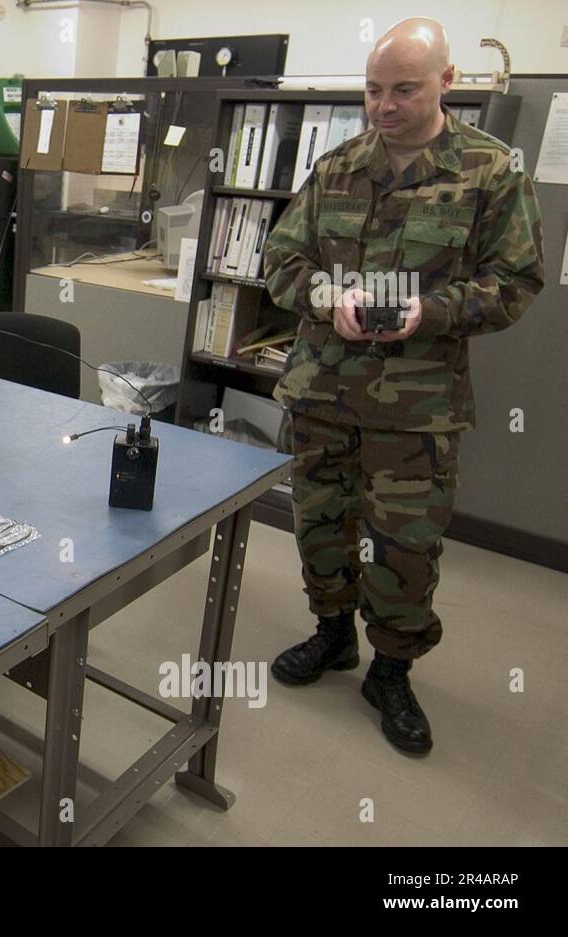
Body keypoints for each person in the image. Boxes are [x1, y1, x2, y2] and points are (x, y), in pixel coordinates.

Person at [262, 17, 544, 754]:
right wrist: (328, 297)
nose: (384, 106)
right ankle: (332, 634)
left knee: (405, 548)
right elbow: (281, 261)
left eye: (405, 90)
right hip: (323, 392)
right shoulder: (337, 168)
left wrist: (431, 310)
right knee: (320, 526)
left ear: (447, 83)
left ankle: (391, 668)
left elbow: (517, 281)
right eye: (373, 89)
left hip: (417, 410)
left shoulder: (491, 170)